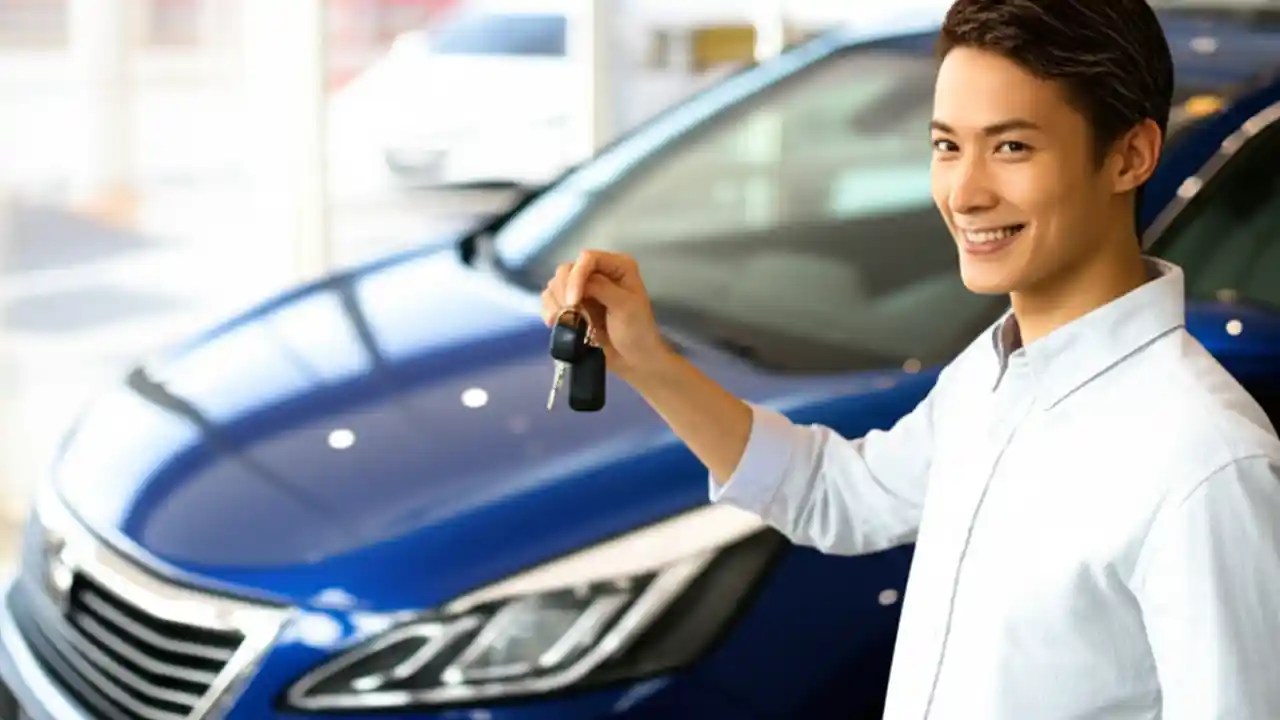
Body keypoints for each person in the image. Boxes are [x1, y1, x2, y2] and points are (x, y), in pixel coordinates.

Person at [541, 0, 1280, 717]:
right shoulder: (991, 378)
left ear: (1130, 155)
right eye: (947, 145)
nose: (964, 191)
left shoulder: (1206, 461)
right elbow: (833, 494)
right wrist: (646, 360)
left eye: (1011, 146)